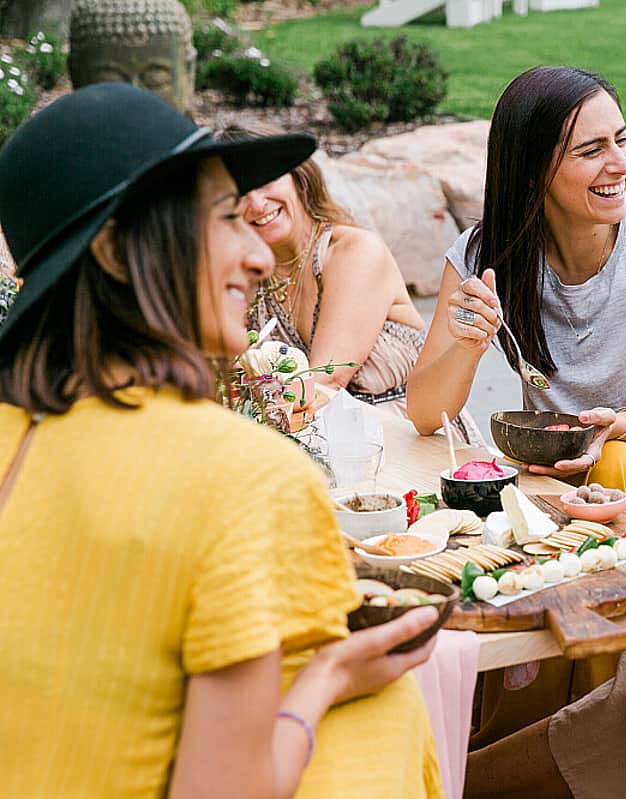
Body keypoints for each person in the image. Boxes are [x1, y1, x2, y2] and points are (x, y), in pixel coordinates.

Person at [0, 84, 443, 798]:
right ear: (114, 251)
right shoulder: (240, 474)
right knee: (382, 707)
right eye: (224, 219)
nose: (259, 255)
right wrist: (329, 677)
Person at [405, 65, 626, 560]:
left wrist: (609, 427)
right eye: (591, 150)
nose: (619, 163)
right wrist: (468, 347)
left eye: (621, 140)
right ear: (534, 170)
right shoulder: (487, 255)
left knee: (613, 464)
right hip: (561, 476)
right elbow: (427, 416)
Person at [215, 123, 480, 443]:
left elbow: (326, 379)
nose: (257, 204)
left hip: (408, 440)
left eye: (266, 179)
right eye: (240, 193)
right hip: (314, 441)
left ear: (297, 176)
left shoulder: (353, 252)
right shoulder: (250, 279)